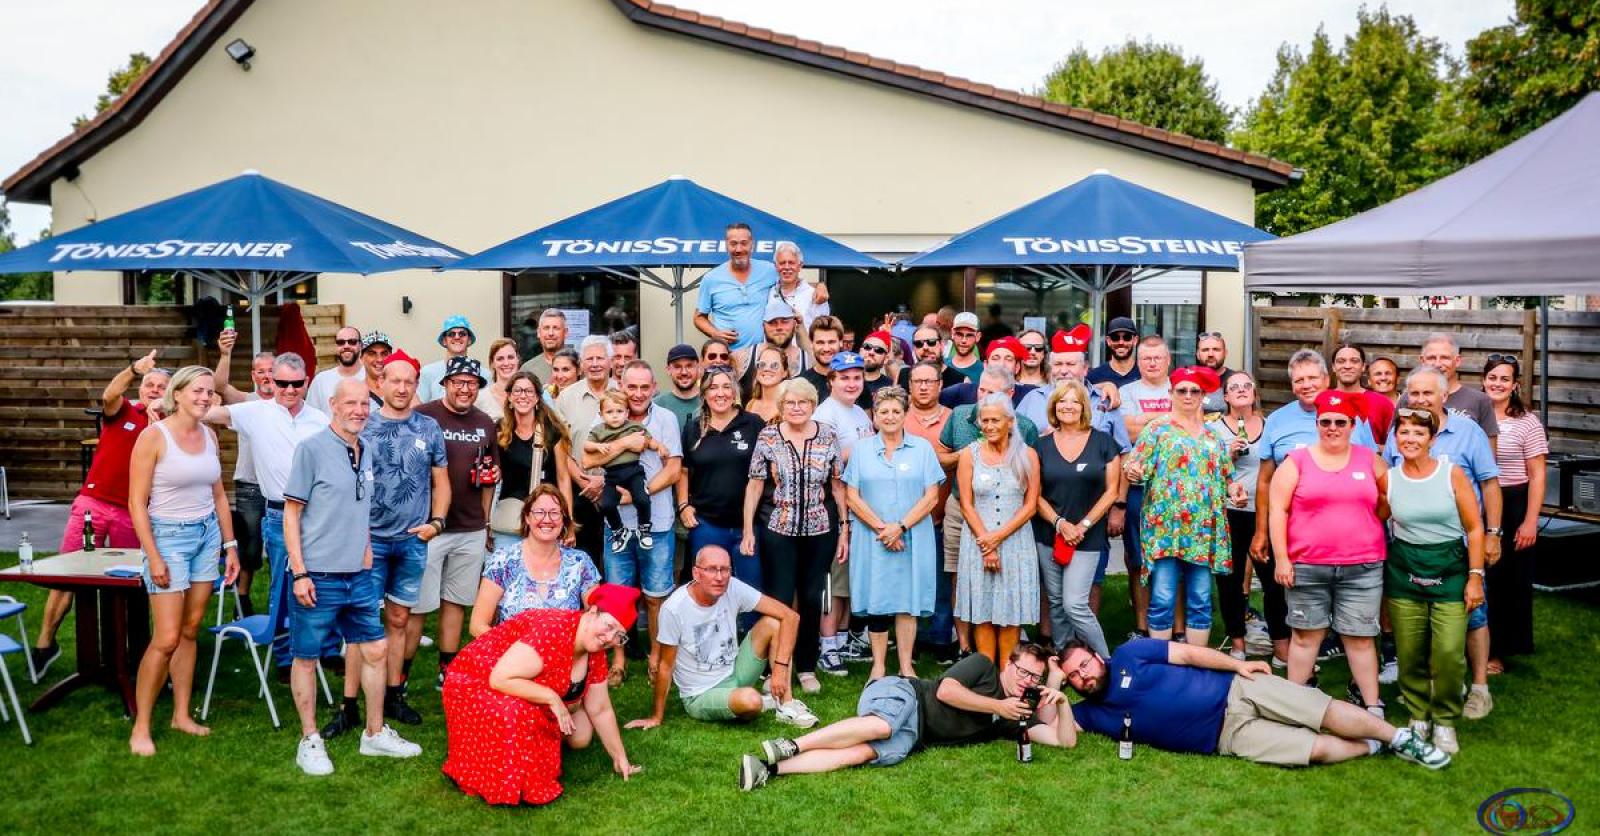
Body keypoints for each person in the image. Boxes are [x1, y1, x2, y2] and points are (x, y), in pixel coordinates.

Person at [283, 378, 422, 776]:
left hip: (359, 573)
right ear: (333, 405)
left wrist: (364, 549)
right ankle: (309, 739)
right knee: (307, 657)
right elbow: (292, 513)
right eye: (351, 403)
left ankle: (374, 733)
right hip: (317, 574)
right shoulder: (311, 449)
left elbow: (359, 507)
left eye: (365, 403)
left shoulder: (367, 449)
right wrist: (299, 572)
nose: (360, 410)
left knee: (375, 650)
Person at [1061, 638, 1450, 769]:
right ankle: (1372, 745)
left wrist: (1239, 664)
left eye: (1084, 665)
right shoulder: (1088, 712)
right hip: (1227, 737)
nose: (1084, 676)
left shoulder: (1131, 653)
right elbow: (1049, 727)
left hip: (1235, 689)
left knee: (1321, 710)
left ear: (1097, 656)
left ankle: (1400, 738)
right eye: (1074, 676)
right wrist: (1051, 682)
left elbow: (1190, 655)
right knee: (1310, 750)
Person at [739, 643, 1075, 790]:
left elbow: (1064, 742)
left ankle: (768, 769)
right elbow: (945, 690)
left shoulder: (1013, 715)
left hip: (916, 736)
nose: (1026, 681)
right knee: (882, 726)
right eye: (1023, 672)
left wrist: (1059, 696)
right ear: (1008, 664)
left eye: (1035, 678)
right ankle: (790, 744)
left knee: (860, 753)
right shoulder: (985, 666)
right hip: (905, 694)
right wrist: (997, 706)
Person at [323, 350, 449, 735]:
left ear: (416, 385)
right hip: (369, 541)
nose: (402, 387)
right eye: (394, 380)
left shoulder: (429, 428)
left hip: (412, 540)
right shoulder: (364, 426)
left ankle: (394, 693)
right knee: (361, 623)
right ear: (380, 384)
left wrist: (436, 523)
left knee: (398, 619)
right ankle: (349, 706)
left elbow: (440, 480)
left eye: (409, 381)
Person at [30, 354, 170, 674]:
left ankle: (130, 655)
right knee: (67, 574)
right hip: (93, 503)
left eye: (161, 386)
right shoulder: (122, 411)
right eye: (149, 384)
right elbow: (109, 395)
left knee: (131, 583)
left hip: (133, 512)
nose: (153, 389)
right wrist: (135, 370)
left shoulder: (169, 427)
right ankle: (45, 645)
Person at [441, 584, 641, 805]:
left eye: (619, 636)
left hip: (519, 681)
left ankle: (552, 724)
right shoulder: (552, 631)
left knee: (581, 738)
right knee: (518, 713)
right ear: (593, 611)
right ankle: (515, 780)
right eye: (609, 626)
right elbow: (499, 679)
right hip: (477, 679)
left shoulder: (595, 650)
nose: (609, 638)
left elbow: (601, 709)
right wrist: (551, 697)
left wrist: (620, 757)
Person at [126, 366, 238, 756]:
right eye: (199, 391)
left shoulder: (209, 435)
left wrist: (231, 545)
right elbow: (136, 504)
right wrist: (153, 555)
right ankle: (141, 726)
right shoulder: (152, 437)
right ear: (178, 393)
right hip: (167, 538)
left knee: (191, 630)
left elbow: (220, 496)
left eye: (210, 392)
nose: (206, 397)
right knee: (167, 637)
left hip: (207, 536)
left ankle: (181, 715)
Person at [1382, 366, 1501, 720]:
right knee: (1420, 622)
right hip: (1412, 544)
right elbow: (1389, 482)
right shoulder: (1398, 431)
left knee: (1473, 615)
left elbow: (1491, 483)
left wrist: (1493, 534)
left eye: (1427, 394)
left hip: (1463, 542)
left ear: (1444, 395)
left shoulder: (1468, 431)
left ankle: (1479, 687)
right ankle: (1433, 686)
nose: (1419, 400)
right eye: (1413, 394)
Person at [203, 352, 333, 675]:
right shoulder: (254, 412)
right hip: (277, 514)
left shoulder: (320, 419)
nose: (289, 390)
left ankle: (327, 650)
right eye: (282, 383)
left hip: (317, 515)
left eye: (296, 384)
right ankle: (286, 659)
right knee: (283, 585)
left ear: (306, 383)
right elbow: (206, 412)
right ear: (270, 382)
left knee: (325, 582)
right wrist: (165, 404)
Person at [1268, 389, 1390, 711]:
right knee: (1306, 636)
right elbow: (1277, 509)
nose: (1332, 428)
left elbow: (1391, 502)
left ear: (1352, 425)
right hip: (1308, 564)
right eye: (1325, 422)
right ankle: (1296, 704)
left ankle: (1371, 705)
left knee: (1360, 638)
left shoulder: (1370, 460)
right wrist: (1282, 558)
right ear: (1317, 423)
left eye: (1340, 422)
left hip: (1362, 566)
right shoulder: (1297, 462)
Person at [1249, 350, 1379, 639]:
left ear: (1326, 378)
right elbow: (1265, 481)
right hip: (1295, 531)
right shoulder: (1278, 420)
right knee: (1285, 592)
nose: (1305, 385)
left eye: (1311, 378)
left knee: (1349, 601)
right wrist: (1261, 531)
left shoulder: (1354, 416)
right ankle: (1287, 650)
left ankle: (1341, 647)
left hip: (1350, 533)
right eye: (1298, 380)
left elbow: (1374, 471)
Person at [627, 545, 817, 729]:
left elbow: (791, 616)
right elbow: (666, 666)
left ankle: (786, 705)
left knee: (773, 623)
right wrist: (656, 717)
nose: (719, 577)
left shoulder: (732, 587)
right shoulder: (674, 608)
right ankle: (762, 701)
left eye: (725, 570)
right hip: (700, 694)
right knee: (751, 701)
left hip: (734, 671)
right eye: (711, 570)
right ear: (696, 573)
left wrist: (780, 670)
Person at [1385, 408, 1485, 755]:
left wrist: (1475, 577)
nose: (1410, 439)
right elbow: (1379, 518)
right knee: (1409, 653)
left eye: (1418, 433)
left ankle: (1444, 719)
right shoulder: (1389, 478)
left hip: (1451, 570)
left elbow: (1474, 528)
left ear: (1431, 439)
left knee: (1447, 652)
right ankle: (1417, 715)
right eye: (1404, 432)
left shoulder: (1451, 474)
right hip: (1404, 571)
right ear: (1395, 438)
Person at [1127, 367, 1244, 649]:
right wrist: (1134, 471)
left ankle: (1196, 664)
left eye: (1195, 391)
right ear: (1171, 394)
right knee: (1164, 596)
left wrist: (1235, 491)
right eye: (1182, 390)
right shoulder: (1157, 430)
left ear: (1203, 396)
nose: (1188, 395)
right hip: (1166, 528)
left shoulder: (1213, 436)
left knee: (1201, 598)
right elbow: (1135, 465)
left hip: (1202, 531)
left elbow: (1226, 476)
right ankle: (1161, 664)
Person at [742, 378, 848, 688]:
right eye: (790, 403)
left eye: (803, 403)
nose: (797, 408)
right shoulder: (769, 437)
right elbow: (755, 483)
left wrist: (844, 530)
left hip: (820, 529)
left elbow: (838, 485)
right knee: (780, 599)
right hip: (780, 529)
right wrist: (748, 529)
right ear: (782, 407)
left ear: (813, 406)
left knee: (813, 598)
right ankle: (778, 666)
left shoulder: (827, 436)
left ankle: (806, 667)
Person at [582, 361, 683, 681]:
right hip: (617, 527)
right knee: (617, 596)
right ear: (620, 386)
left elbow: (673, 469)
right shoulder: (605, 415)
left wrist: (638, 494)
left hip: (658, 521)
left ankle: (655, 657)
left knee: (656, 596)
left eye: (644, 387)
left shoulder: (665, 418)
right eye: (631, 387)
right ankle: (619, 661)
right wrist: (625, 444)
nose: (638, 394)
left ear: (654, 387)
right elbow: (588, 459)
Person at [937, 368, 1041, 658]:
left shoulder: (1027, 455)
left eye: (996, 420)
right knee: (981, 609)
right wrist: (986, 541)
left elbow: (1031, 504)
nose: (990, 426)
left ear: (1010, 422)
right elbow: (966, 503)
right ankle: (986, 671)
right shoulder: (970, 454)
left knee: (1010, 609)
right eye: (985, 421)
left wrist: (998, 539)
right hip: (977, 538)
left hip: (1015, 541)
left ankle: (1008, 671)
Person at [842, 387, 944, 680]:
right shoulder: (861, 450)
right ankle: (878, 665)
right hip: (872, 538)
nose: (889, 417)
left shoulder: (922, 449)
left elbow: (931, 496)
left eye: (896, 411)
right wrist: (882, 529)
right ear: (874, 416)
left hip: (911, 536)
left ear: (904, 414)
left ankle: (906, 665)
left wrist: (899, 527)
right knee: (877, 600)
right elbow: (852, 496)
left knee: (907, 601)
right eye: (883, 411)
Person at [415, 356, 501, 689]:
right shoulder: (426, 415)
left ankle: (445, 670)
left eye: (471, 383)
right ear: (446, 384)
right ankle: (401, 678)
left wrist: (486, 521)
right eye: (458, 382)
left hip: (470, 526)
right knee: (419, 605)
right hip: (430, 526)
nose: (464, 389)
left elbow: (491, 475)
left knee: (456, 602)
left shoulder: (485, 422)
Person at [1032, 380, 1120, 659]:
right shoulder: (1041, 445)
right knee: (1056, 602)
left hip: (1087, 536)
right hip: (1049, 534)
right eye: (1061, 401)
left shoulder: (1104, 443)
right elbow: (1034, 494)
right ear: (1053, 407)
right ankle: (1066, 658)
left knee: (1075, 604)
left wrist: (1081, 526)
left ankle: (1106, 661)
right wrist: (1059, 523)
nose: (1067, 406)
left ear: (1084, 406)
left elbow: (1112, 492)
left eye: (1074, 401)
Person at [1208, 371, 1279, 663]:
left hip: (1264, 512)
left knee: (1274, 580)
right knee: (1230, 581)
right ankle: (1238, 643)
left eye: (1245, 386)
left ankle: (1281, 643)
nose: (1240, 390)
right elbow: (1205, 473)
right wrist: (1229, 457)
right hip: (1229, 513)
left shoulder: (1270, 425)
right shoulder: (1213, 429)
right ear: (1225, 396)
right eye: (1233, 387)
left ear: (1254, 392)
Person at [679, 365, 767, 593]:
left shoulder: (753, 424)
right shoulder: (693, 428)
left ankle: (749, 630)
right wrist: (683, 505)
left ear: (735, 391)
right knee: (708, 590)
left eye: (727, 387)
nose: (720, 393)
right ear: (704, 394)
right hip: (707, 523)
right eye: (713, 388)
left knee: (751, 591)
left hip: (748, 525)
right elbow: (683, 470)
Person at [1482, 353, 1544, 666]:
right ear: (1483, 381)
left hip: (1514, 502)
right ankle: (1476, 646)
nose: (1497, 383)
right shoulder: (1474, 417)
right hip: (1478, 500)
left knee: (1508, 580)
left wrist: (1531, 521)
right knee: (1482, 577)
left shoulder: (1527, 423)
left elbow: (1537, 474)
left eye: (1504, 378)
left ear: (1515, 385)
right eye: (1492, 377)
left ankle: (1500, 651)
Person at [810, 352, 873, 662]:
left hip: (857, 503)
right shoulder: (826, 413)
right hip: (834, 506)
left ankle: (844, 639)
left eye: (856, 377)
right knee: (833, 579)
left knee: (849, 577)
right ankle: (827, 645)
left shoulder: (860, 413)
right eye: (844, 377)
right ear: (831, 381)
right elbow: (824, 462)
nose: (851, 382)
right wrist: (864, 450)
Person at [471, 486, 601, 635]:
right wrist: (512, 653)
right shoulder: (503, 561)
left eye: (554, 513)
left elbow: (596, 620)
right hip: (511, 653)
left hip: (563, 653)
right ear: (527, 517)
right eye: (539, 512)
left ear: (564, 520)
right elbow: (477, 625)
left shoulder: (580, 563)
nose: (547, 519)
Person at [1113, 336, 1175, 637]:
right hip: (1139, 486)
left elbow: (1190, 424)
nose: (1152, 363)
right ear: (1138, 363)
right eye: (1146, 358)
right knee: (1138, 561)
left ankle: (1175, 628)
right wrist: (1167, 419)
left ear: (1168, 360)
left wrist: (1144, 421)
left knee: (1175, 558)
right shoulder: (1127, 391)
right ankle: (1141, 625)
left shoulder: (1179, 388)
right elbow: (1126, 429)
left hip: (1177, 488)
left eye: (1157, 358)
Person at [212, 332, 273, 615]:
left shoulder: (290, 402)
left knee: (280, 549)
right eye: (261, 371)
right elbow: (220, 385)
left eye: (271, 370)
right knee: (250, 546)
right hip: (250, 485)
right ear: (253, 375)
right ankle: (243, 601)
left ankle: (279, 603)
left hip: (281, 488)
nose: (266, 376)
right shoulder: (245, 400)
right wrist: (225, 354)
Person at [902, 361, 957, 658]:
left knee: (940, 581)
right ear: (909, 386)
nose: (923, 387)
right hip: (903, 517)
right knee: (906, 581)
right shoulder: (897, 418)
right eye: (917, 381)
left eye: (929, 381)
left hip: (941, 516)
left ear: (939, 385)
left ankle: (938, 639)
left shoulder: (953, 420)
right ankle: (908, 641)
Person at [491, 371, 574, 553]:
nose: (523, 396)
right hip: (508, 521)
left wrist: (569, 522)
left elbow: (563, 478)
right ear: (510, 397)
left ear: (537, 398)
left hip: (545, 521)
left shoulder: (552, 432)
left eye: (529, 391)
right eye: (518, 391)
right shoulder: (499, 431)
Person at [557, 335, 616, 560]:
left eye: (600, 358)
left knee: (617, 562)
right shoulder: (566, 397)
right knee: (582, 559)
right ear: (581, 364)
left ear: (610, 362)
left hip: (618, 490)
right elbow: (562, 449)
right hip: (578, 491)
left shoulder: (623, 393)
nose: (594, 364)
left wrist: (605, 483)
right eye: (589, 359)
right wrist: (584, 483)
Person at [585, 390, 665, 553]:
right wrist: (597, 446)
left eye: (619, 411)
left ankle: (644, 529)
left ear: (627, 413)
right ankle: (619, 531)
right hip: (612, 476)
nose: (615, 416)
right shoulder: (599, 430)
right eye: (609, 412)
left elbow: (648, 441)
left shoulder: (634, 427)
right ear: (601, 414)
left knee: (642, 499)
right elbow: (586, 446)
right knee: (606, 505)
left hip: (634, 472)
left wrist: (660, 447)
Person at [694, 222, 780, 357]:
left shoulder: (769, 270)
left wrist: (820, 286)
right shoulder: (711, 278)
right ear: (726, 246)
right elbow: (699, 318)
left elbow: (792, 284)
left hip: (763, 355)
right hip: (728, 356)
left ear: (752, 245)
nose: (738, 249)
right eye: (733, 244)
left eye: (744, 243)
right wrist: (715, 334)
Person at [1417, 333, 1499, 445]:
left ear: (1457, 360)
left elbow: (1489, 454)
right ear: (1422, 361)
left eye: (1445, 358)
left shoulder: (1479, 400)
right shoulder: (1411, 398)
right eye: (1432, 358)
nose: (1437, 364)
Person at [940, 337, 1034, 408]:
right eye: (995, 358)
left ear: (1017, 367)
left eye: (1008, 359)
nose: (1001, 364)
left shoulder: (1031, 395)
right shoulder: (962, 391)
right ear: (985, 365)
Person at [1331, 343, 1397, 445]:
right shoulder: (1322, 399)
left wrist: (1370, 449)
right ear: (1333, 367)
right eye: (1341, 361)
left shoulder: (1381, 403)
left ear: (1363, 367)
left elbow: (1395, 446)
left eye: (1354, 361)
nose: (1347, 366)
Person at [770, 241, 831, 333]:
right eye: (782, 263)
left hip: (804, 347)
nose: (787, 267)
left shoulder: (814, 295)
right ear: (775, 266)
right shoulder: (768, 292)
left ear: (800, 266)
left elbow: (823, 332)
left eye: (791, 263)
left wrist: (821, 285)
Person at [305, 325, 365, 416]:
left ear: (361, 346)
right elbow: (310, 416)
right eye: (341, 342)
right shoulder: (321, 380)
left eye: (352, 342)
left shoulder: (371, 377)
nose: (346, 346)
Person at [418, 316, 478, 404]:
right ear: (444, 341)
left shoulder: (483, 375)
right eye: (451, 334)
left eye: (462, 334)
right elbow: (419, 408)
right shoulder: (428, 372)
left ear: (469, 340)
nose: (457, 337)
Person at [739, 298, 805, 377]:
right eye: (772, 323)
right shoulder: (742, 357)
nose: (779, 327)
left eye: (784, 321)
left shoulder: (807, 359)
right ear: (763, 326)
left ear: (795, 324)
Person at [897, 325, 966, 388]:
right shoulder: (905, 376)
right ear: (914, 349)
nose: (925, 347)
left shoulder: (960, 380)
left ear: (941, 345)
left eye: (931, 342)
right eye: (919, 343)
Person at [655, 343, 702, 431]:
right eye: (677, 367)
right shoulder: (657, 406)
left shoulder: (710, 402)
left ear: (698, 368)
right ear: (668, 370)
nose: (684, 372)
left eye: (689, 366)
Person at [1086, 316, 1140, 388]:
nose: (1121, 342)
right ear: (1108, 341)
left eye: (1127, 337)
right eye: (1115, 337)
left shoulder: (1145, 374)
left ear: (1135, 340)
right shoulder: (1093, 377)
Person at [797, 316, 843, 399]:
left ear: (841, 342)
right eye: (820, 343)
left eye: (831, 342)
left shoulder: (853, 382)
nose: (826, 348)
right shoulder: (800, 383)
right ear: (811, 344)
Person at [476, 338, 521, 421]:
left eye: (510, 357)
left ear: (517, 360)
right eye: (500, 359)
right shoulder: (480, 398)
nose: (506, 363)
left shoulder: (528, 395)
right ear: (492, 363)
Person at [743, 343, 789, 423]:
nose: (767, 369)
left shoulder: (790, 406)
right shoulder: (750, 404)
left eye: (774, 365)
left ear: (785, 372)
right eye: (762, 364)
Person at [519, 309, 569, 382]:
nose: (550, 333)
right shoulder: (527, 369)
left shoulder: (579, 365)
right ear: (539, 332)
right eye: (546, 328)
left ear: (566, 332)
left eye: (556, 328)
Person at [1194, 331, 1234, 414]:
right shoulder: (1188, 380)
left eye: (1216, 350)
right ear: (1197, 354)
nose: (1210, 354)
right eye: (1205, 350)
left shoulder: (1235, 379)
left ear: (1225, 353)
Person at [856, 330, 898, 408]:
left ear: (886, 359)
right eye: (867, 347)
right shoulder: (846, 381)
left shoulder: (890, 386)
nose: (871, 352)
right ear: (860, 351)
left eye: (879, 350)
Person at [946, 311, 984, 385]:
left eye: (969, 335)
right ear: (952, 334)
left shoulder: (984, 371)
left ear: (978, 336)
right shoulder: (943, 365)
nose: (964, 340)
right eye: (959, 334)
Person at [358, 331, 393, 406]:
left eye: (384, 353)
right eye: (372, 354)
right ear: (361, 358)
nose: (379, 359)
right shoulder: (355, 392)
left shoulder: (401, 389)